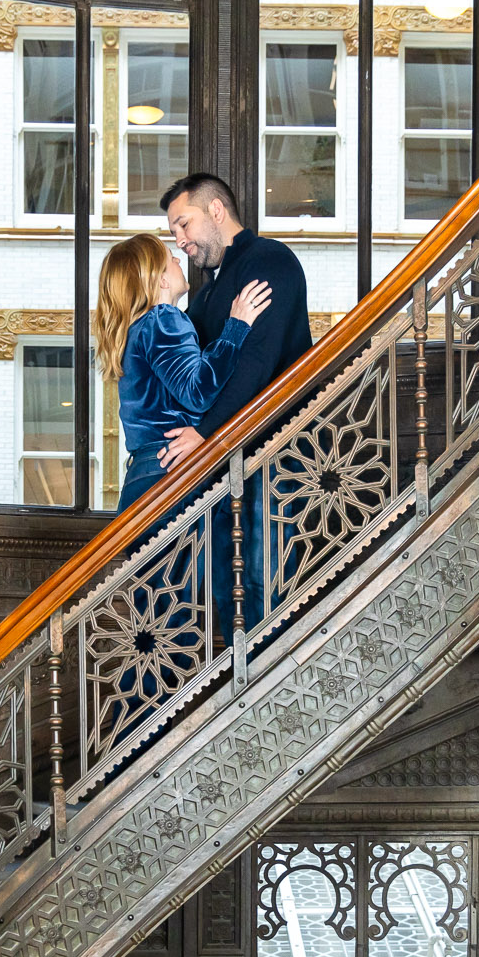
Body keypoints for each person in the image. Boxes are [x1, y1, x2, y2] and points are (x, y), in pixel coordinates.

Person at [158, 172, 313, 639]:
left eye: (183, 225)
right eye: (173, 233)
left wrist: (204, 433)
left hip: (274, 453)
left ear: (217, 211)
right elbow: (192, 372)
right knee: (226, 588)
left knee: (264, 580)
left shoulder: (269, 261)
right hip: (228, 460)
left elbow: (258, 363)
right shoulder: (207, 293)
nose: (180, 240)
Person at [96, 232, 274, 513]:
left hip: (146, 474)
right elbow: (197, 391)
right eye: (170, 259)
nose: (178, 258)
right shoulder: (163, 319)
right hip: (169, 473)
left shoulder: (138, 329)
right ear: (160, 279)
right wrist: (236, 327)